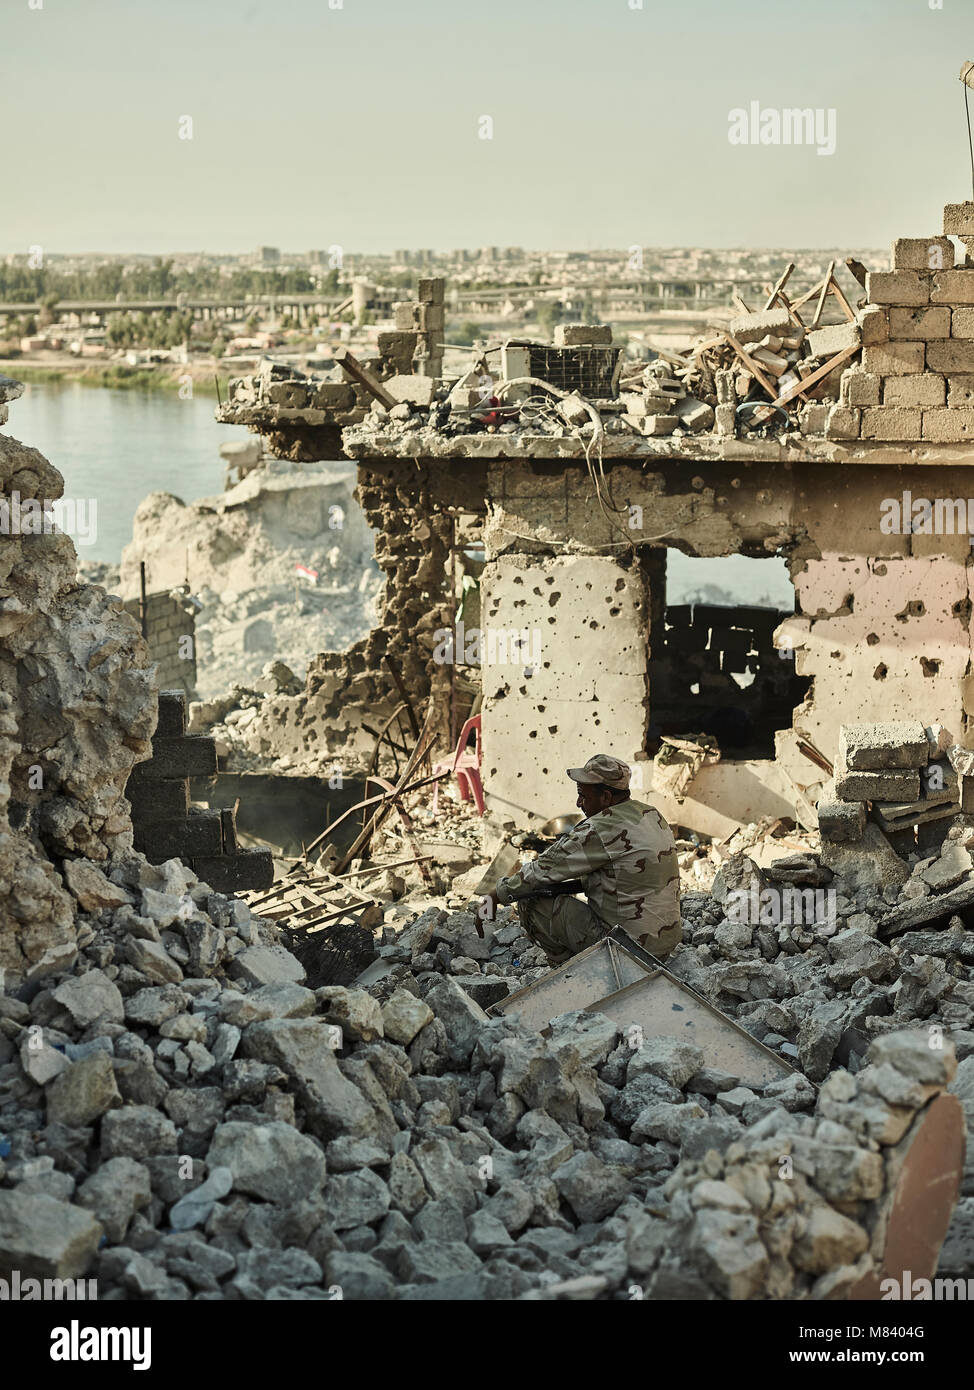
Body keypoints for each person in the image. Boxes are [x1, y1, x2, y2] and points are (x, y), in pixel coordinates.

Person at [482, 754, 681, 967]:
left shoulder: (600, 828)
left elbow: (542, 869)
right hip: (663, 946)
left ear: (605, 797)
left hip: (627, 951)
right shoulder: (651, 814)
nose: (579, 803)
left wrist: (495, 896)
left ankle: (572, 973)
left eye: (582, 796)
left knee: (531, 900)